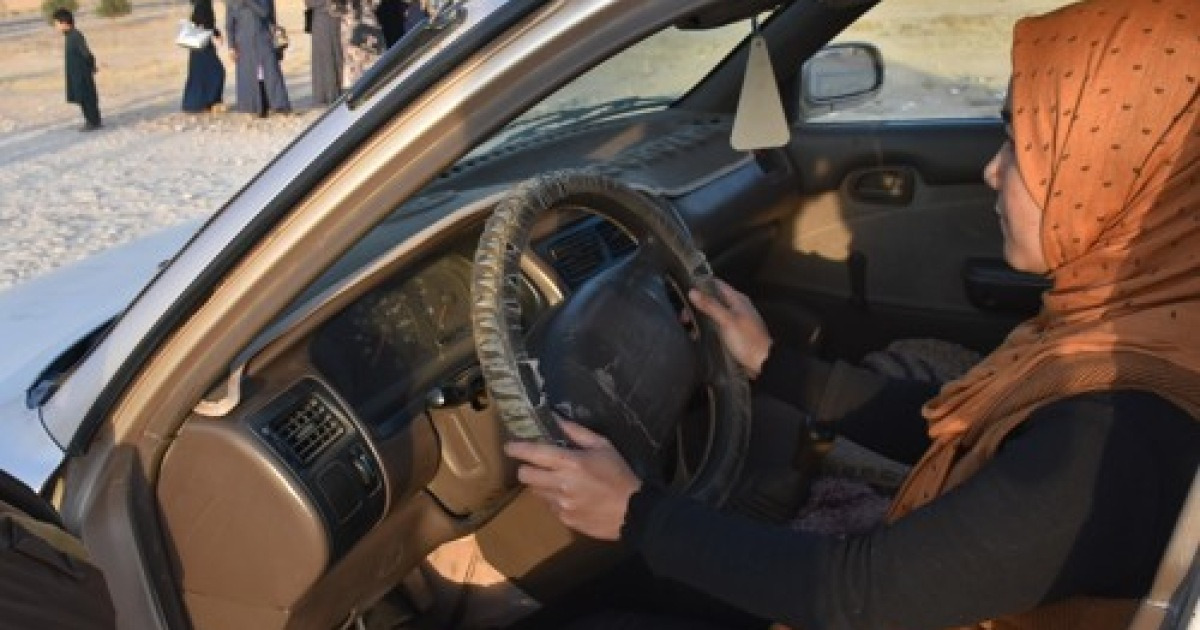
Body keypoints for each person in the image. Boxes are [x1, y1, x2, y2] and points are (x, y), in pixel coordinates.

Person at [504, 0, 1200, 628]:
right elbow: (951, 424)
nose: (992, 169)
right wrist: (770, 362)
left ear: (1112, 171)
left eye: (1022, 142)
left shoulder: (1119, 433)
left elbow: (859, 596)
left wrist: (636, 511)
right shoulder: (1129, 323)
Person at [225, 0, 292, 116]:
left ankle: (279, 105)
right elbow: (229, 25)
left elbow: (265, 12)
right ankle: (255, 107)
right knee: (250, 76)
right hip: (243, 42)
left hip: (264, 38)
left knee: (271, 73)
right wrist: (231, 46)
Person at [52, 9, 101, 132]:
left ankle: (93, 122)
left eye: (57, 23)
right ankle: (91, 121)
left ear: (64, 23)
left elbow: (86, 53)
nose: (56, 26)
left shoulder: (76, 35)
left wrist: (92, 66)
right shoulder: (69, 36)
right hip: (76, 73)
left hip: (82, 73)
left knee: (87, 97)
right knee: (81, 97)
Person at [181, 0, 227, 113]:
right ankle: (209, 101)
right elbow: (204, 22)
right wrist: (215, 33)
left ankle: (199, 103)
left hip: (199, 45)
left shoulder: (201, 2)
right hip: (202, 44)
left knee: (200, 73)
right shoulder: (203, 3)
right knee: (217, 71)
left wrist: (215, 32)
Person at [330, 0, 385, 89]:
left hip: (353, 26)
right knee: (369, 63)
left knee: (358, 63)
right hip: (363, 26)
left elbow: (334, 9)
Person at [305, 0, 343, 106]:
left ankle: (337, 91)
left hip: (337, 19)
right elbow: (309, 2)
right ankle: (326, 95)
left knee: (337, 57)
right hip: (321, 20)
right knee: (324, 59)